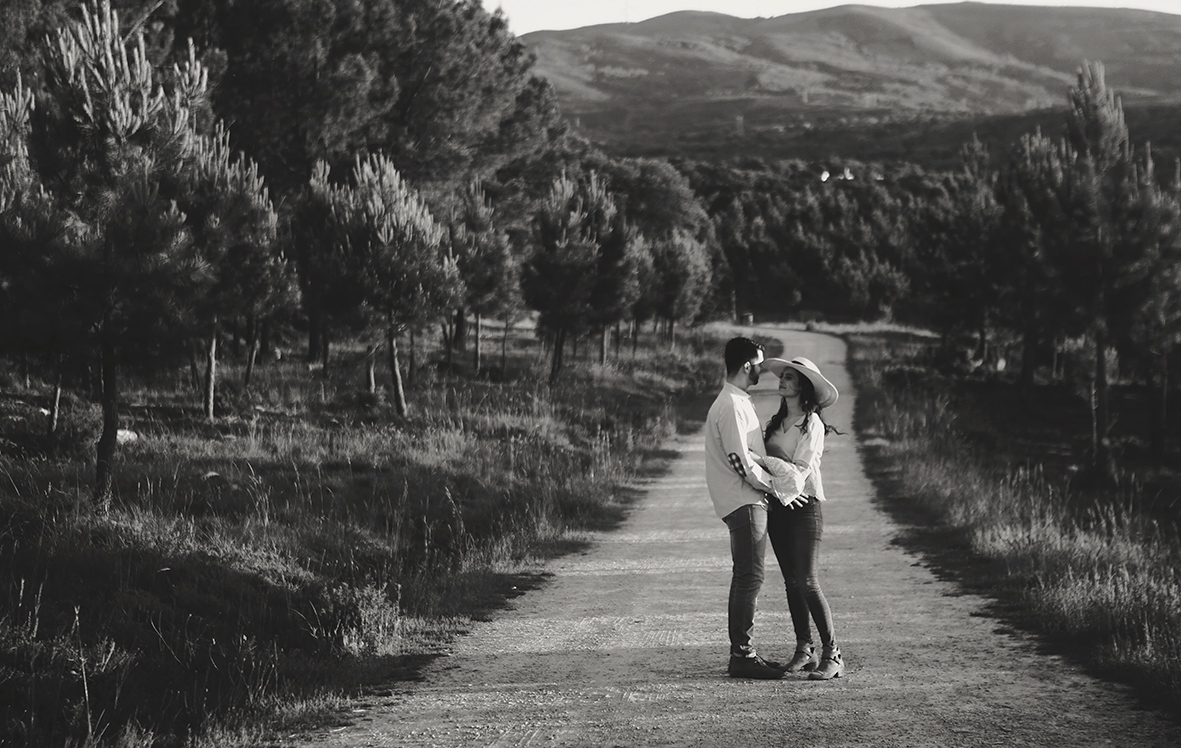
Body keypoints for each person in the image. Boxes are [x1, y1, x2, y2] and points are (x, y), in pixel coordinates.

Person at [758, 356, 845, 680]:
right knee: (792, 583)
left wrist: (767, 458)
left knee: (807, 581)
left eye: (791, 378)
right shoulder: (776, 423)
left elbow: (799, 471)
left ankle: (833, 653)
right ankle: (803, 650)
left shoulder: (812, 424)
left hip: (805, 507)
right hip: (778, 507)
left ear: (803, 387)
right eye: (784, 377)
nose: (783, 381)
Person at [704, 337, 784, 680]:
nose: (762, 371)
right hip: (743, 499)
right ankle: (742, 655)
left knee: (748, 575)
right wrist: (773, 487)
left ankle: (743, 653)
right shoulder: (731, 406)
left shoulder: (737, 401)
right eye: (759, 365)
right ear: (747, 365)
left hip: (745, 498)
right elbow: (741, 461)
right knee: (749, 576)